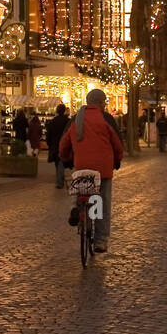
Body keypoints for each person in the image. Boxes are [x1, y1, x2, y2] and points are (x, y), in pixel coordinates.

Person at [59, 89, 125, 253]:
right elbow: (117, 144)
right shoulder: (106, 119)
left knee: (82, 188)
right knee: (101, 203)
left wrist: (66, 159)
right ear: (101, 102)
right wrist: (117, 161)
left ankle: (77, 208)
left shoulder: (75, 119)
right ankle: (100, 241)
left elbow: (63, 144)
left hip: (82, 166)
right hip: (103, 170)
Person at [45, 104, 70, 188]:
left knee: (58, 162)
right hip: (64, 143)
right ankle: (60, 179)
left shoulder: (53, 121)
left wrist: (48, 143)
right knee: (61, 161)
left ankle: (59, 181)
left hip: (55, 145)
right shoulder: (67, 121)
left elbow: (49, 134)